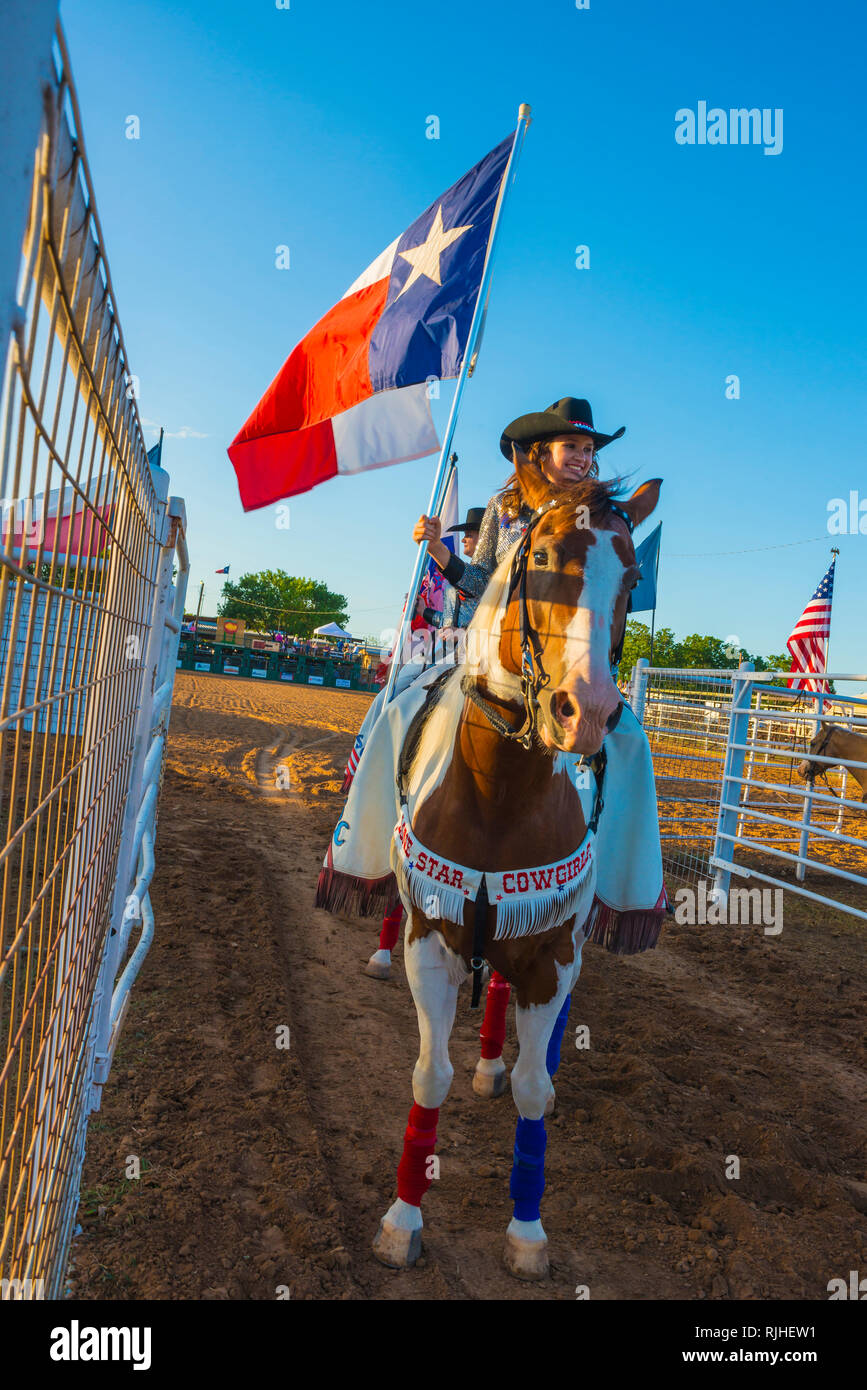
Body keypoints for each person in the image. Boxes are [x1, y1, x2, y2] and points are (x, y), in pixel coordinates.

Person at [420, 506, 485, 632]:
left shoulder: (493, 574)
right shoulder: (470, 573)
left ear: (484, 538)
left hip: (474, 650)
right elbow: (448, 622)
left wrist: (435, 547)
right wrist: (423, 611)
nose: (463, 539)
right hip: (449, 649)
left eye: (469, 535)